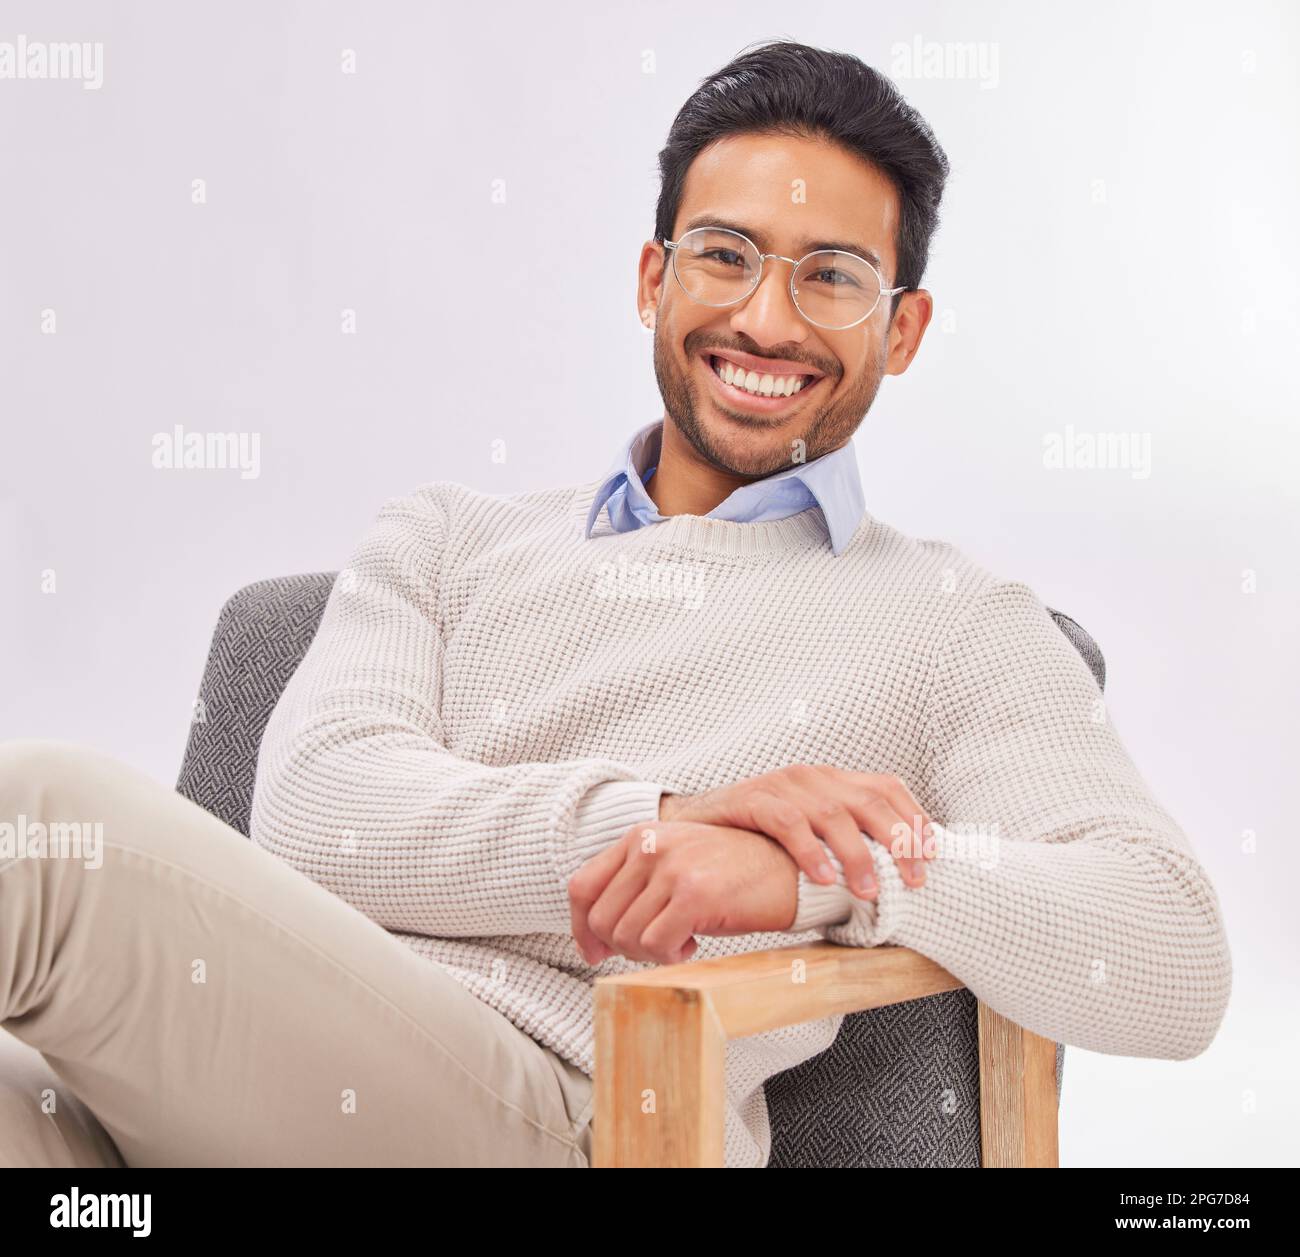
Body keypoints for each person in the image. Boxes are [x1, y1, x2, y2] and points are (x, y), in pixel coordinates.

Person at [0, 39, 1231, 1170]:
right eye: (725, 255)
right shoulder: (444, 537)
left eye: (832, 277)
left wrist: (823, 877)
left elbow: (1168, 954)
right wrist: (667, 823)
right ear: (654, 277)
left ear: (901, 330)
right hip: (204, 1085)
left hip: (562, 1108)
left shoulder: (955, 619)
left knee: (36, 828)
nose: (764, 318)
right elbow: (321, 816)